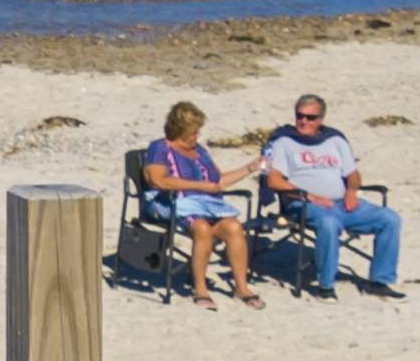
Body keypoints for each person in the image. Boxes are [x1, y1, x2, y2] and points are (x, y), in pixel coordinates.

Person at [258, 92, 404, 298]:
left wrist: (352, 191)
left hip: (341, 201)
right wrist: (312, 197)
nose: (303, 121)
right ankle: (326, 285)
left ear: (321, 120)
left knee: (390, 218)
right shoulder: (283, 143)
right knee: (328, 223)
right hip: (303, 203)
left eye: (310, 118)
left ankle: (380, 281)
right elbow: (273, 180)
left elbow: (352, 174)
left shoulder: (335, 140)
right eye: (299, 116)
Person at [145, 101, 261, 309]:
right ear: (180, 130)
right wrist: (199, 186)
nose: (197, 136)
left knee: (234, 227)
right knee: (201, 228)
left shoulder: (200, 150)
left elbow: (217, 183)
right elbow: (158, 180)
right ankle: (200, 288)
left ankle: (241, 287)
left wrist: (249, 168)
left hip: (206, 205)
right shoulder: (161, 148)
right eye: (193, 132)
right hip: (175, 204)